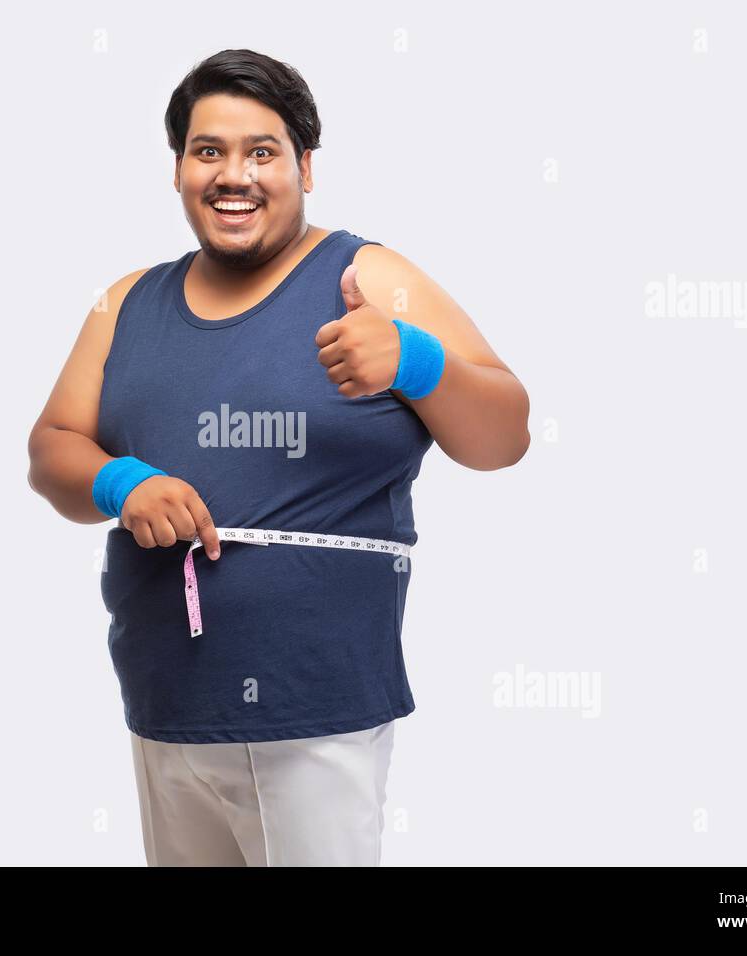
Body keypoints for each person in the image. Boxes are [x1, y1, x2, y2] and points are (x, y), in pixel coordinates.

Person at [27, 49, 530, 866]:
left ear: (304, 165)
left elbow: (505, 436)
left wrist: (413, 359)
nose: (235, 175)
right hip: (166, 709)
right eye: (208, 151)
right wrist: (120, 481)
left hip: (315, 714)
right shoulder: (124, 302)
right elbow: (51, 450)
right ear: (180, 168)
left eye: (262, 151)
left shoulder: (366, 276)